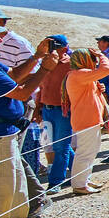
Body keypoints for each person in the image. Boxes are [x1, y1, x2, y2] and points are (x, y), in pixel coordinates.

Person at [0, 40, 57, 218]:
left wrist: (36, 57)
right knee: (3, 183)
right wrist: (45, 70)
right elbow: (21, 92)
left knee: (15, 179)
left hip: (7, 130)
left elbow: (13, 75)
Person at [63, 48, 109, 194]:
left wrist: (98, 89)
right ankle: (79, 185)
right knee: (85, 152)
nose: (95, 62)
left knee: (91, 151)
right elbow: (106, 69)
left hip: (89, 119)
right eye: (92, 59)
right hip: (86, 119)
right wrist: (101, 55)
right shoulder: (80, 74)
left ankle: (85, 179)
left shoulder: (81, 75)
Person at [32, 34, 73, 190]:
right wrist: (38, 108)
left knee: (60, 147)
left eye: (54, 48)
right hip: (47, 110)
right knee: (58, 145)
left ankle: (56, 181)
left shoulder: (70, 65)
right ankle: (80, 172)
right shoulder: (45, 63)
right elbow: (41, 88)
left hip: (63, 111)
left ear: (64, 49)